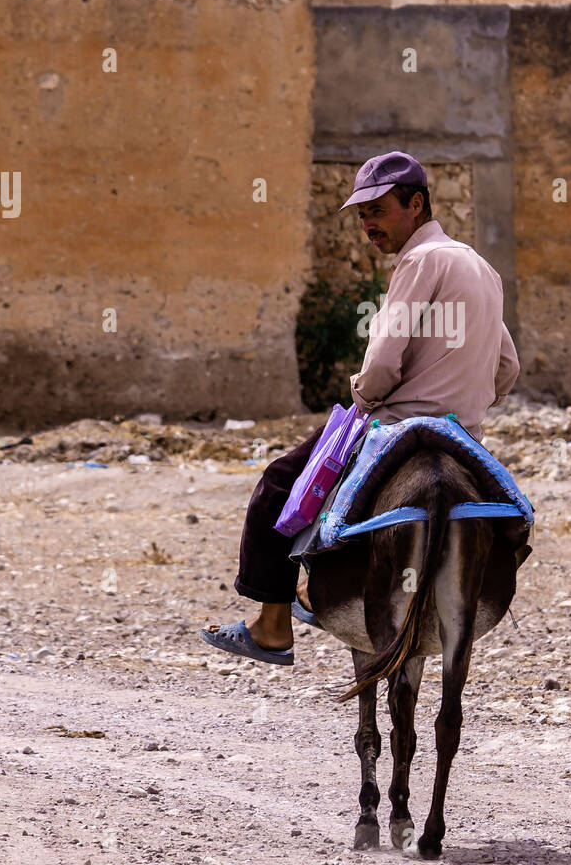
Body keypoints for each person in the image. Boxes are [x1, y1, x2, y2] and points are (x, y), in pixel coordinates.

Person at [200, 150, 520, 666]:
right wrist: (468, 399)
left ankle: (273, 627)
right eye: (363, 214)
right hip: (465, 434)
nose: (368, 224)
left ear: (416, 205)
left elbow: (383, 357)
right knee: (509, 513)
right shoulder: (481, 268)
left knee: (278, 483)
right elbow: (506, 366)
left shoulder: (417, 262)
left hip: (397, 424)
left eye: (378, 210)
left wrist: (363, 397)